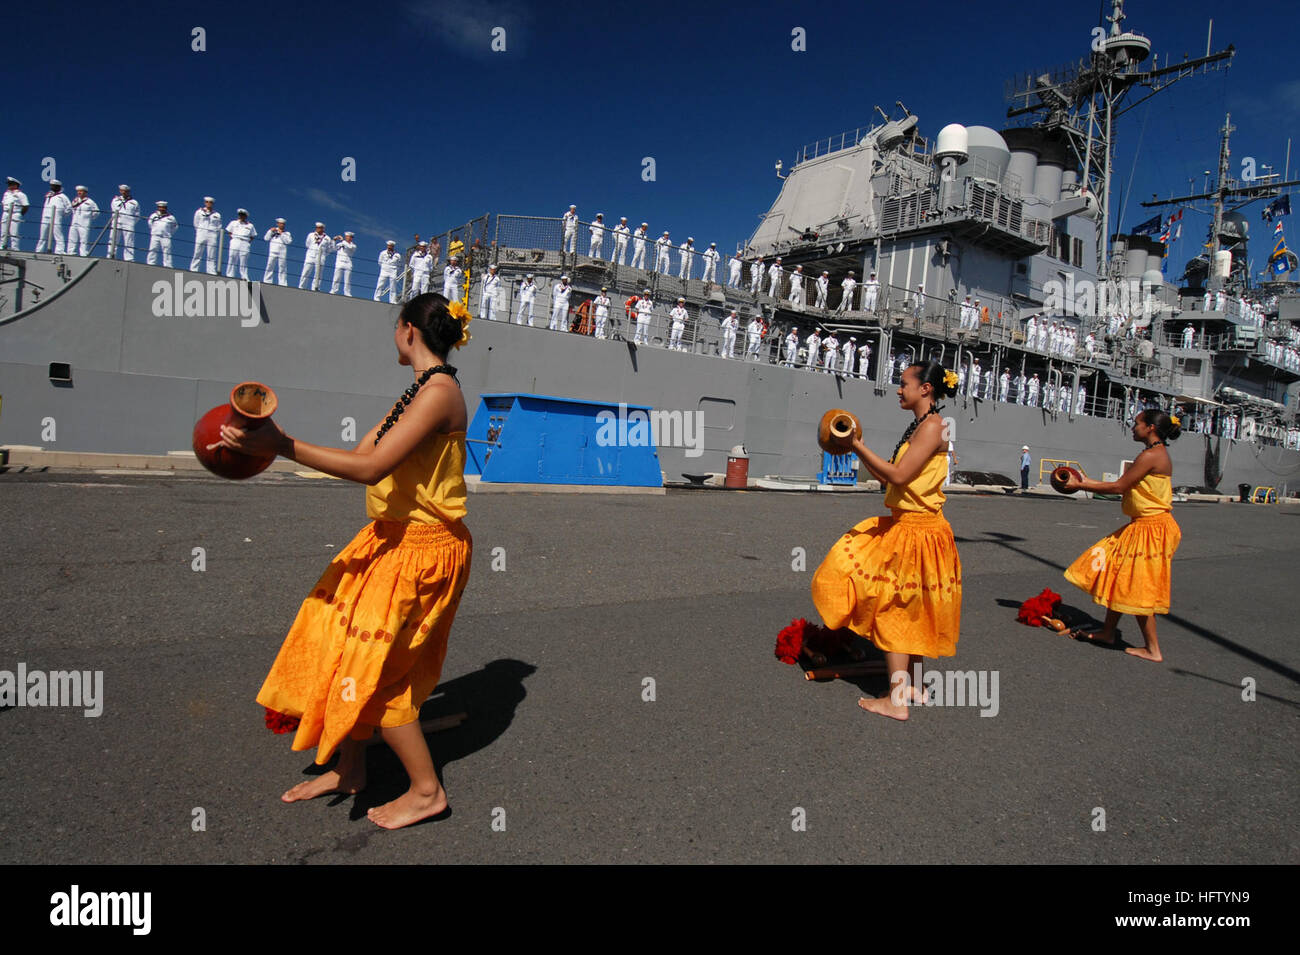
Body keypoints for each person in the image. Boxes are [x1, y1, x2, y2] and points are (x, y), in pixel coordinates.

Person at [214, 292, 473, 829]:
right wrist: (267, 442)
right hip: (388, 541)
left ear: (407, 330)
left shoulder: (439, 392)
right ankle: (351, 769)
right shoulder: (420, 390)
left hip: (422, 552)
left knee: (378, 675)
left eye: (394, 328)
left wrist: (281, 445)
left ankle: (427, 792)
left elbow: (371, 470)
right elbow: (360, 457)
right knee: (341, 648)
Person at [810, 360, 962, 720]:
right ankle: (913, 685)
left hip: (915, 532)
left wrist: (856, 444)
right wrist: (857, 448)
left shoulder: (932, 427)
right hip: (920, 528)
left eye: (904, 383)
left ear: (925, 389)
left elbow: (898, 475)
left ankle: (896, 700)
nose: (899, 389)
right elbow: (889, 479)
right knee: (914, 607)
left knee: (894, 608)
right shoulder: (925, 425)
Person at [1061, 410, 1183, 662]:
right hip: (1144, 527)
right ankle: (1108, 632)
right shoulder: (1155, 453)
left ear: (1150, 428)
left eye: (1137, 423)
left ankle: (1153, 649)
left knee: (1138, 588)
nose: (1132, 427)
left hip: (1151, 530)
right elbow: (1123, 484)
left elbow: (1119, 486)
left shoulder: (1151, 456)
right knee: (1118, 574)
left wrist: (1080, 485)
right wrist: (1084, 480)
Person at [36, 180, 71, 253]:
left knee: (57, 232)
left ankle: (59, 250)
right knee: (43, 234)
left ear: (58, 187)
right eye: (51, 186)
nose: (52, 187)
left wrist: (63, 214)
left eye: (54, 186)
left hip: (56, 215)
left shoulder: (62, 196)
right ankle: (39, 250)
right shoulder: (48, 195)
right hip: (46, 215)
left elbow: (69, 207)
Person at [107, 184, 140, 261]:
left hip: (128, 222)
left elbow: (137, 215)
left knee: (129, 240)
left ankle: (129, 258)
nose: (124, 192)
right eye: (122, 191)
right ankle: (111, 255)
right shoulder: (115, 200)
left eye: (125, 191)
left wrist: (131, 222)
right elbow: (113, 210)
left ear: (128, 192)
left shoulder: (134, 202)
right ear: (120, 191)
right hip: (117, 221)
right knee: (113, 239)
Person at [191, 197, 222, 274]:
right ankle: (194, 269)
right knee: (197, 251)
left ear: (212, 204)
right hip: (202, 233)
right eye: (207, 202)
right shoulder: (199, 212)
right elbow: (196, 223)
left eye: (210, 202)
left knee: (212, 253)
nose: (208, 203)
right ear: (205, 203)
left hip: (212, 234)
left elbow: (219, 226)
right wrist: (200, 231)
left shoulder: (217, 214)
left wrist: (215, 234)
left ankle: (211, 271)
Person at [300, 223, 334, 291]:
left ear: (323, 229)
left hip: (320, 257)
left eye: (320, 228)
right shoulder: (311, 235)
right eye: (317, 227)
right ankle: (302, 287)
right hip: (310, 255)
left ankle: (315, 288)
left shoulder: (327, 238)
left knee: (318, 274)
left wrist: (323, 254)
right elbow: (307, 244)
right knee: (306, 271)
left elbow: (329, 249)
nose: (318, 229)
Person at [66, 185, 99, 256]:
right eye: (78, 191)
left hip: (84, 223)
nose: (79, 192)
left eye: (81, 191)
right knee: (72, 238)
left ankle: (83, 254)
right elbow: (70, 209)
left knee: (84, 239)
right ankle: (70, 252)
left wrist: (89, 218)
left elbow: (96, 212)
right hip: (74, 222)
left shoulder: (90, 202)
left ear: (85, 192)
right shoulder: (75, 201)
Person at [225, 209, 256, 279]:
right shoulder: (233, 223)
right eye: (240, 215)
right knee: (232, 257)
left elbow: (252, 236)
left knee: (243, 259)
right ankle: (230, 275)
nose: (241, 216)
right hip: (235, 240)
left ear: (246, 216)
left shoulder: (250, 225)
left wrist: (247, 242)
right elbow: (229, 232)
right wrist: (234, 239)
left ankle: (244, 276)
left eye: (243, 215)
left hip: (245, 242)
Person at [146, 201, 178, 267]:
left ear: (166, 208)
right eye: (160, 207)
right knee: (153, 249)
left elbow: (175, 227)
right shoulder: (153, 215)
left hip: (165, 236)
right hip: (155, 235)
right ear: (158, 208)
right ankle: (151, 263)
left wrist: (169, 233)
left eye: (163, 207)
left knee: (167, 250)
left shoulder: (171, 217)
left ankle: (168, 265)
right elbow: (150, 224)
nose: (162, 209)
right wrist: (155, 230)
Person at [1, 177, 29, 251]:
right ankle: (2, 246)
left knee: (14, 232)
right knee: (3, 231)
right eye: (9, 184)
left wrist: (19, 214)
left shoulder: (21, 194)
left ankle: (14, 248)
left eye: (10, 184)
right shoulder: (6, 193)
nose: (8, 186)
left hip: (15, 214)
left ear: (15, 185)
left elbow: (26, 206)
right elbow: (3, 203)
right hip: (6, 213)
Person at [263, 218, 292, 285]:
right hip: (273, 250)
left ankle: (282, 282)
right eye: (280, 223)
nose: (282, 225)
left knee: (282, 267)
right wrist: (270, 231)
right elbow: (266, 238)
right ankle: (267, 280)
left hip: (282, 251)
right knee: (270, 265)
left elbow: (288, 241)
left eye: (283, 224)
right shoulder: (273, 231)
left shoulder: (287, 233)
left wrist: (281, 234)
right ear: (277, 224)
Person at [330, 231, 357, 296]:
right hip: (340, 262)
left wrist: (342, 240)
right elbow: (333, 248)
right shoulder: (340, 244)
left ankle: (347, 292)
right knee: (336, 277)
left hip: (348, 263)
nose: (348, 238)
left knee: (347, 279)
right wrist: (334, 240)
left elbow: (349, 247)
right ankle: (334, 290)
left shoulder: (353, 245)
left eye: (350, 237)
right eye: (347, 237)